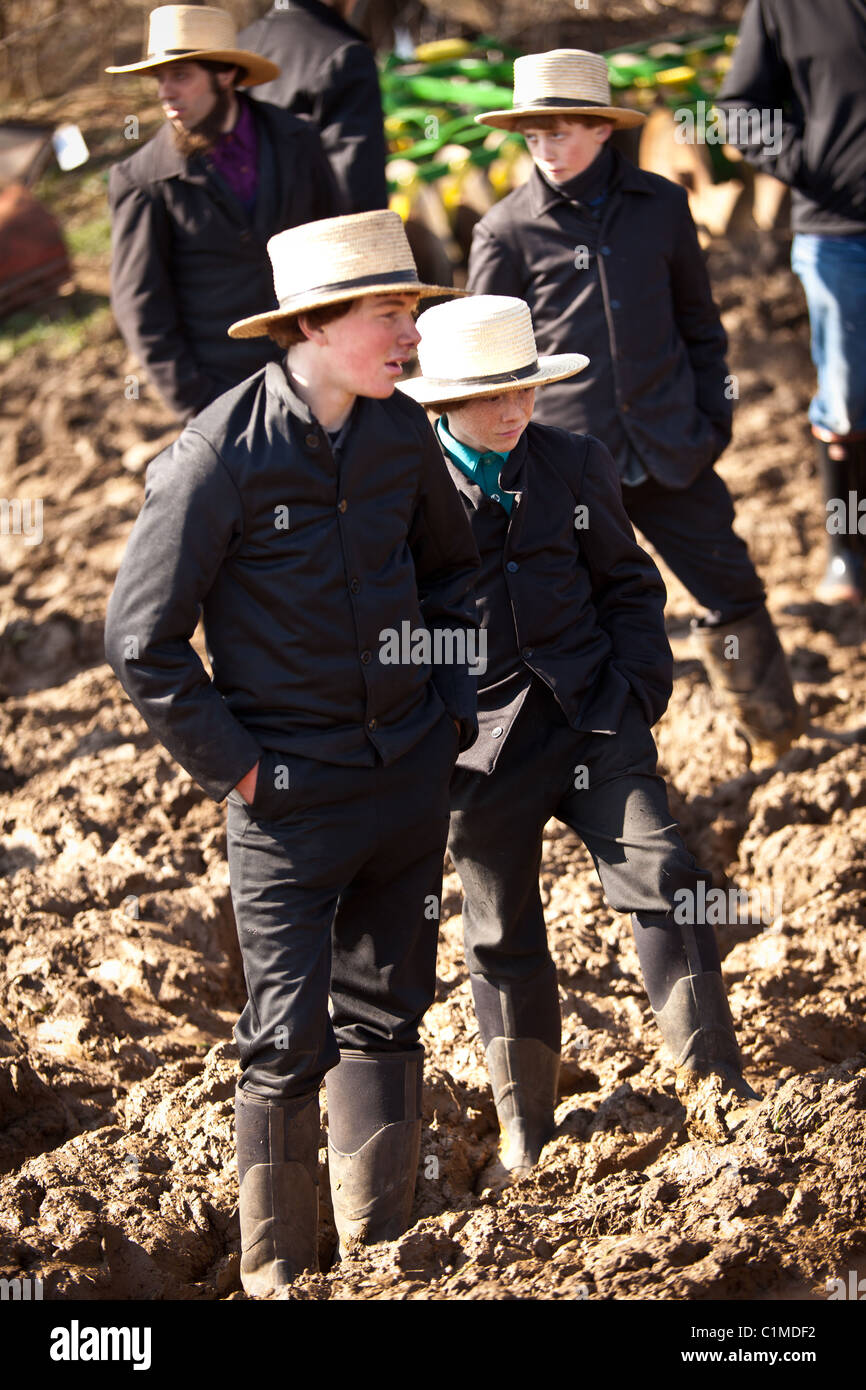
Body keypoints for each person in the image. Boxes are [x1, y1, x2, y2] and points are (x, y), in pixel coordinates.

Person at [105, 209, 480, 1293]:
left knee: (391, 1009)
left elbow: (452, 575)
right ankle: (275, 1271)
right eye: (388, 313)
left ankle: (382, 1248)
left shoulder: (401, 431)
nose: (410, 334)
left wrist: (448, 706)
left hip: (406, 779)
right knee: (281, 1037)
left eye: (411, 308)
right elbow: (141, 640)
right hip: (288, 801)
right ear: (312, 325)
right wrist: (244, 769)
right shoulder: (215, 457)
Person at [400, 293, 759, 1187]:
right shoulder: (400, 496)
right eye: (494, 398)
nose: (517, 411)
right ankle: (528, 1132)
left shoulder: (575, 461)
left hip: (595, 717)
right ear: (442, 403)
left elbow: (632, 586)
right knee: (498, 932)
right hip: (476, 754)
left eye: (525, 390)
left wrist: (637, 691)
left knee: (668, 875)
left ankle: (718, 1083)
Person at [465, 48, 803, 767]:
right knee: (580, 617)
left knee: (731, 587)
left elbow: (701, 326)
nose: (546, 149)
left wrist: (713, 420)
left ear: (600, 128)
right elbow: (481, 368)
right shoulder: (505, 232)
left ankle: (776, 736)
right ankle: (604, 764)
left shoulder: (661, 207)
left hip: (674, 445)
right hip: (567, 464)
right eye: (532, 136)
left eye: (560, 132)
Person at [106, 4, 338, 422]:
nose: (165, 92)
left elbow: (337, 246)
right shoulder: (141, 180)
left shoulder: (299, 140)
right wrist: (199, 403)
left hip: (320, 373)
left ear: (226, 74)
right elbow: (140, 307)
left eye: (181, 75)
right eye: (160, 78)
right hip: (224, 397)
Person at [717, 0, 866, 604]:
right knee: (851, 397)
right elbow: (738, 111)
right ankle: (847, 548)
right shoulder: (787, 6)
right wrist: (811, 160)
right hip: (839, 236)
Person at [238, 0, 388, 214]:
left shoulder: (237, 47)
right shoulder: (345, 54)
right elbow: (356, 188)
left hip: (247, 242)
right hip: (321, 241)